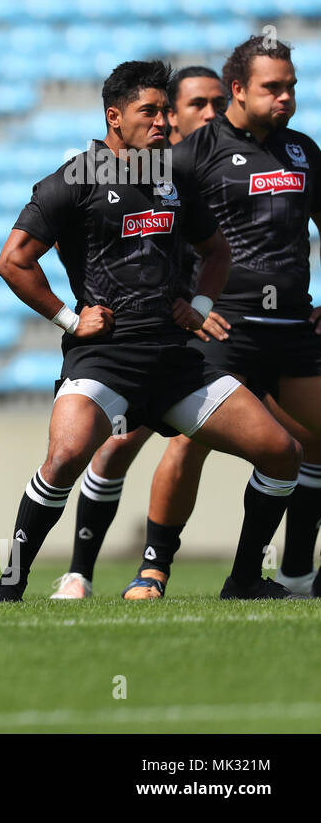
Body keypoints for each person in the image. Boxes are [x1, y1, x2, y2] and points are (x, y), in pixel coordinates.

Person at [0, 59, 302, 603]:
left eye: (163, 111)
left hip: (177, 361)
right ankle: (11, 583)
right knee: (64, 458)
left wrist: (198, 303)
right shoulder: (72, 180)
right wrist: (68, 317)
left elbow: (215, 250)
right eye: (147, 112)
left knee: (282, 451)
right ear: (113, 117)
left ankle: (245, 581)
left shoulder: (175, 178)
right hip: (105, 358)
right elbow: (12, 261)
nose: (161, 122)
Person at [119, 37, 321, 600]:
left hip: (292, 330)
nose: (286, 98)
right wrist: (181, 305)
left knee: (310, 446)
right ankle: (153, 571)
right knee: (187, 444)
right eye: (272, 88)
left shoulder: (304, 151)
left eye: (292, 87)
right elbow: (138, 228)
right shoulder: (193, 153)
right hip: (223, 328)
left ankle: (258, 575)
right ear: (238, 90)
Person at [48, 65, 228, 599]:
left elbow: (229, 247)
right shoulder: (138, 167)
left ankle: (258, 572)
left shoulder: (225, 163)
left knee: (283, 443)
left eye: (216, 104)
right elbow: (75, 234)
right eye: (196, 104)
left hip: (224, 317)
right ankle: (86, 570)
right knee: (117, 446)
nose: (205, 115)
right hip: (163, 329)